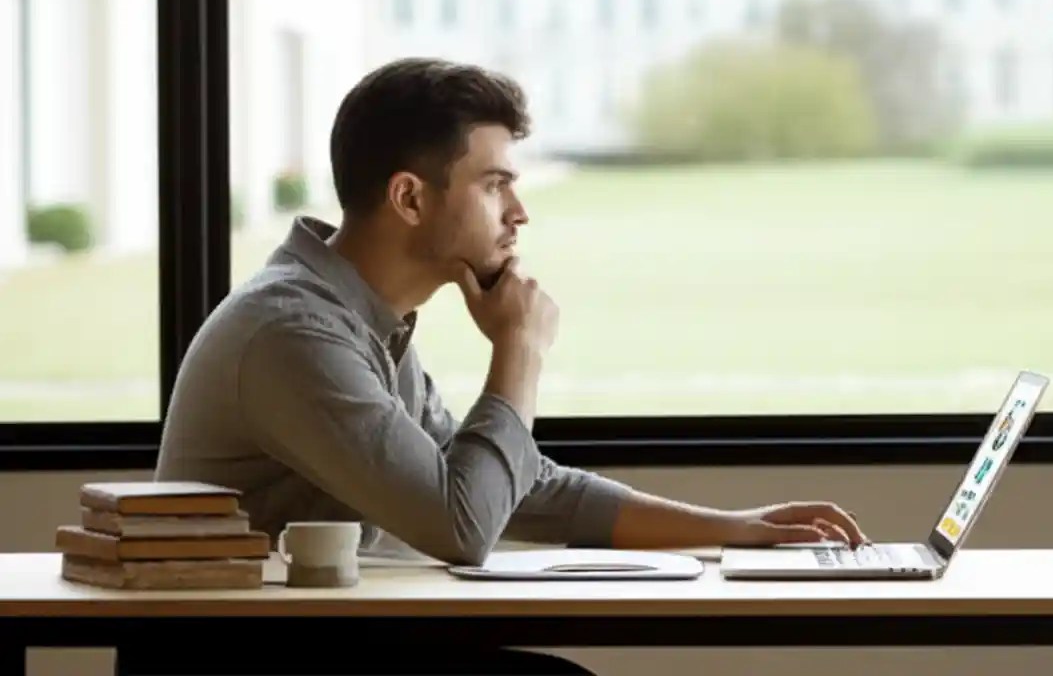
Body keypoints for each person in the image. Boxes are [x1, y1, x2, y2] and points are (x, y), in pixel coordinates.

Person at [154, 56, 868, 573]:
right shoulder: (294, 334)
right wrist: (518, 347)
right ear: (409, 198)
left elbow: (512, 487)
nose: (519, 213)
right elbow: (463, 525)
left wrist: (735, 530)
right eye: (495, 186)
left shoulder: (363, 321)